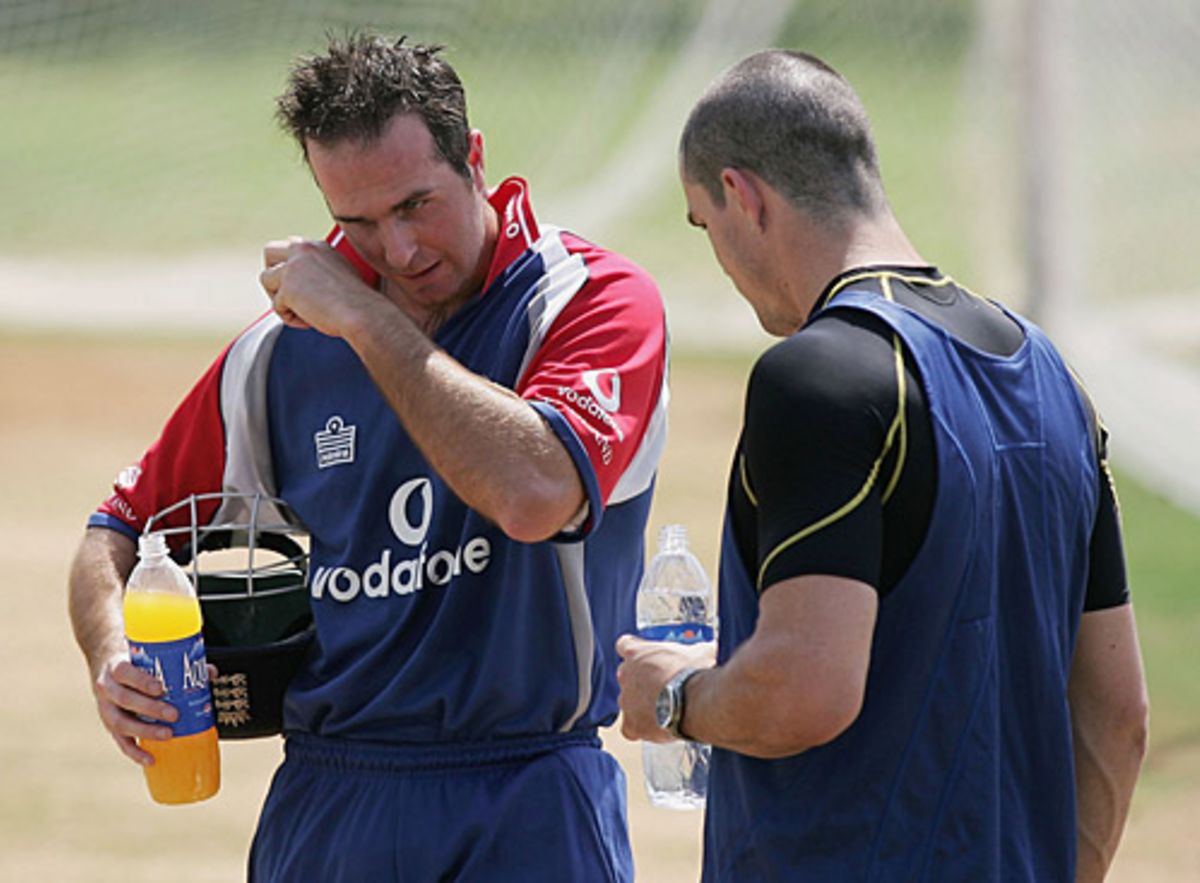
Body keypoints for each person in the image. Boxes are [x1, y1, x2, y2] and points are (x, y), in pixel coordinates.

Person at [68, 33, 668, 882]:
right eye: (357, 222)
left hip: (528, 790)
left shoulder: (586, 301)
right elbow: (117, 527)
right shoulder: (282, 352)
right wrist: (110, 655)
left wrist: (360, 317)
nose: (398, 250)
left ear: (476, 160)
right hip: (328, 796)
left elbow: (533, 493)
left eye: (417, 205)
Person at [616, 49, 1148, 882]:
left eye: (702, 221)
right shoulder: (1055, 378)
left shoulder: (819, 376)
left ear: (743, 197)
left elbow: (805, 688)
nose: (715, 252)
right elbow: (1118, 715)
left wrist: (677, 696)